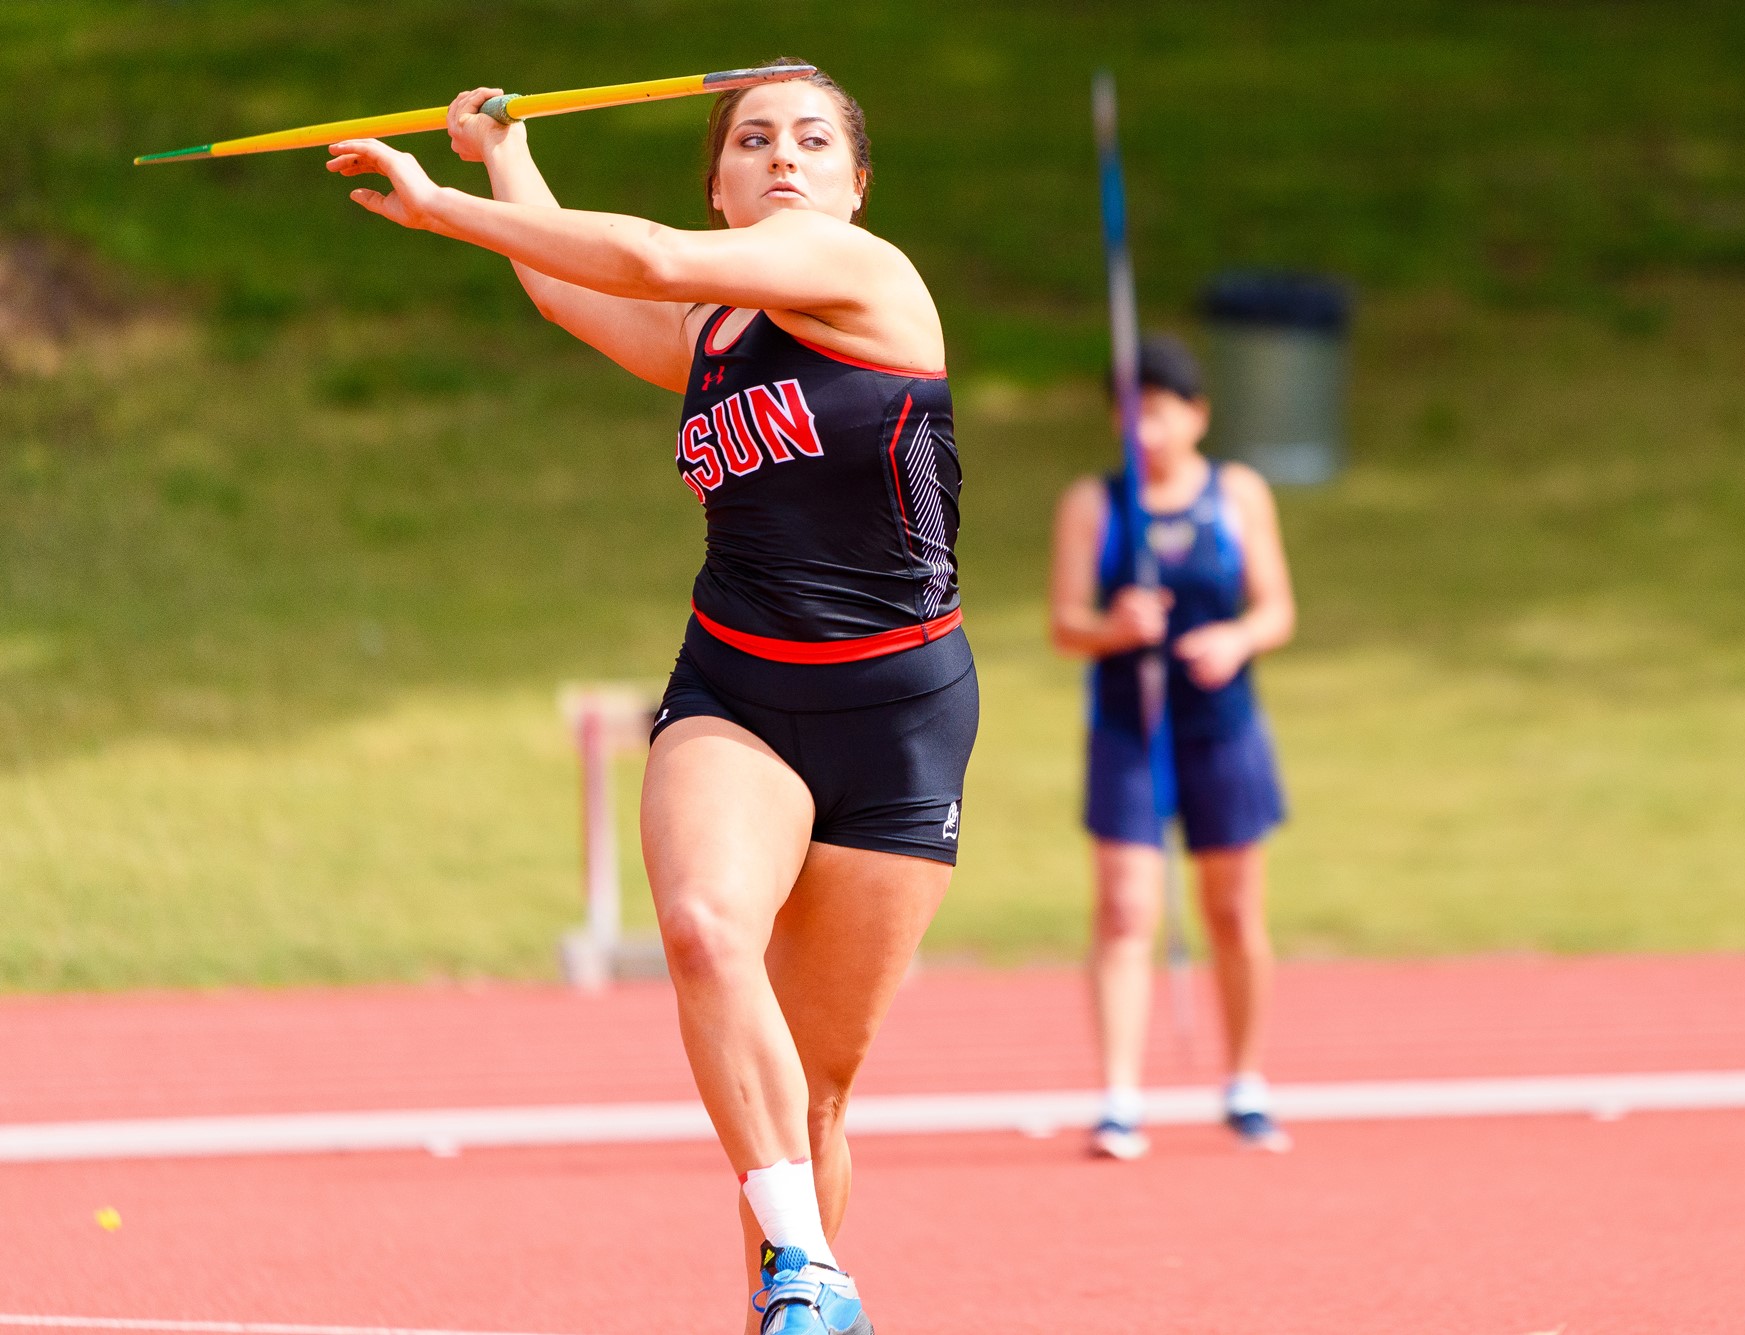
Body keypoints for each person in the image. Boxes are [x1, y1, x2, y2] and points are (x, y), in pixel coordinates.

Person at [325, 62, 975, 1335]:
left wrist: (442, 210)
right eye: (751, 140)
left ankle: (785, 1293)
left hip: (898, 720)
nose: (781, 156)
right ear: (722, 185)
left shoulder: (871, 279)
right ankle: (808, 1269)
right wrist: (497, 159)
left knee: (817, 1096)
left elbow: (641, 257)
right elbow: (584, 287)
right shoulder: (708, 336)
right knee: (698, 928)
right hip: (734, 688)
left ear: (853, 186)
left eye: (809, 140)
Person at [1048, 333, 1296, 1161]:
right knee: (1125, 909)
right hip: (1130, 726)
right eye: (1128, 412)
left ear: (1196, 415)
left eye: (1156, 412)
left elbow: (1276, 609)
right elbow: (1065, 623)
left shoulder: (1239, 494)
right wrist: (1114, 629)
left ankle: (1246, 1080)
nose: (1141, 429)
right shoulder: (1096, 502)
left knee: (1232, 910)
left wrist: (1235, 640)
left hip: (1221, 726)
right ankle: (1120, 1095)